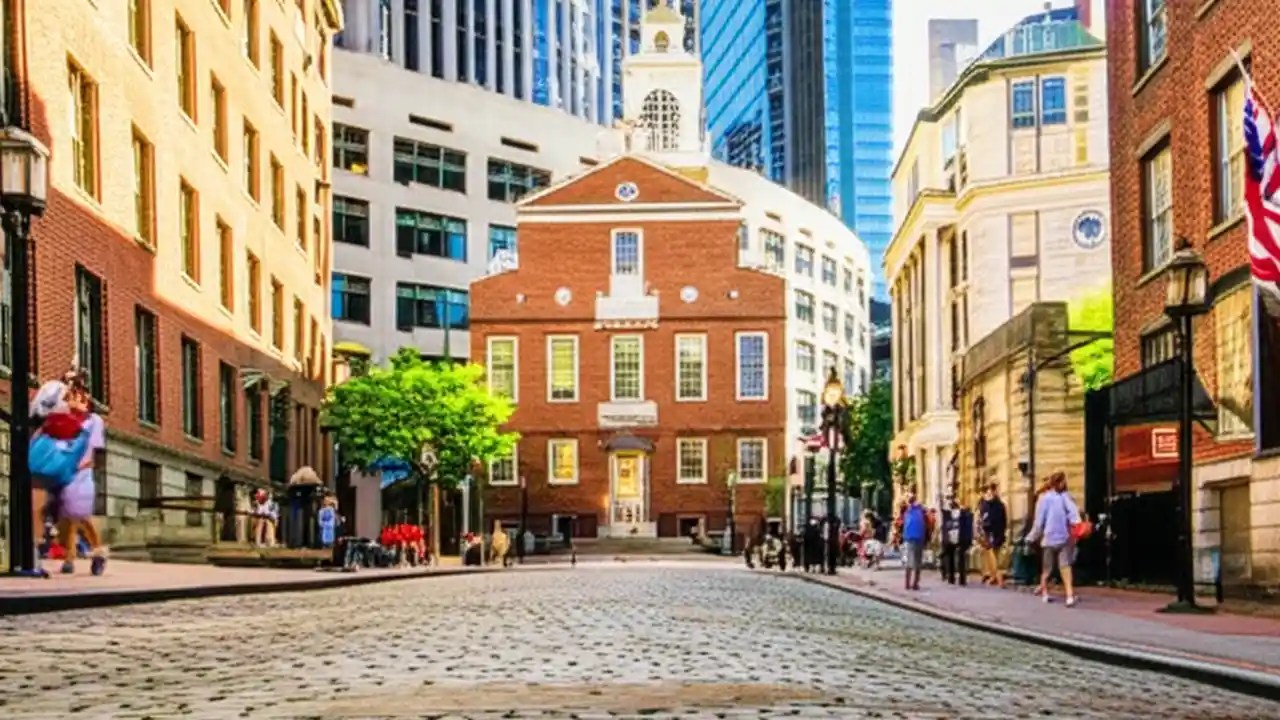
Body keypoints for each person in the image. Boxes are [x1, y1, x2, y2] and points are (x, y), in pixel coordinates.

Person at [51, 379, 108, 575]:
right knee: (66, 519)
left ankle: (98, 552)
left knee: (81, 516)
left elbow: (94, 453)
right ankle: (69, 557)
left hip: (82, 473)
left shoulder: (94, 421)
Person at [1026, 471, 1081, 607]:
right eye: (1062, 481)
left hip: (1050, 539)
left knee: (1049, 569)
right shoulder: (1062, 497)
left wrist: (1031, 537)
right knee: (1062, 567)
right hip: (1061, 537)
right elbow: (1074, 515)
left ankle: (1056, 594)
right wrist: (1077, 526)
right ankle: (1067, 595)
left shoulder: (1047, 499)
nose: (1064, 483)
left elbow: (1039, 522)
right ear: (1059, 482)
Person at [977, 483, 1008, 587]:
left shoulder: (986, 505)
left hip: (991, 532)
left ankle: (998, 578)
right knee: (992, 555)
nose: (988, 494)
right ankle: (993, 576)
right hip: (994, 532)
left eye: (990, 491)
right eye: (987, 492)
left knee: (993, 556)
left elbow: (985, 519)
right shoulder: (997, 504)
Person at [939, 494, 973, 585]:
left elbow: (944, 524)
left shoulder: (948, 514)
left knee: (951, 558)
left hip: (951, 537)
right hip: (960, 537)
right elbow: (968, 526)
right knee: (960, 559)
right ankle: (961, 579)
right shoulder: (964, 514)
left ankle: (952, 578)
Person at [900, 489, 929, 591]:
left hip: (909, 538)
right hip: (919, 538)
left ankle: (908, 584)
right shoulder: (921, 510)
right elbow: (926, 524)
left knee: (909, 561)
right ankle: (915, 583)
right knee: (917, 562)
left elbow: (902, 523)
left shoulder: (907, 511)